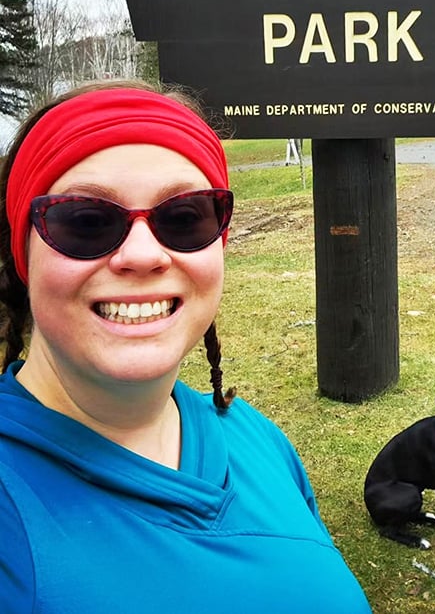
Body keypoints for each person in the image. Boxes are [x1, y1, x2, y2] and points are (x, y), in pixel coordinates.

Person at [0, 81, 372, 614]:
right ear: (22, 252)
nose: (143, 254)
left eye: (184, 217)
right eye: (85, 221)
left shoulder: (255, 438)